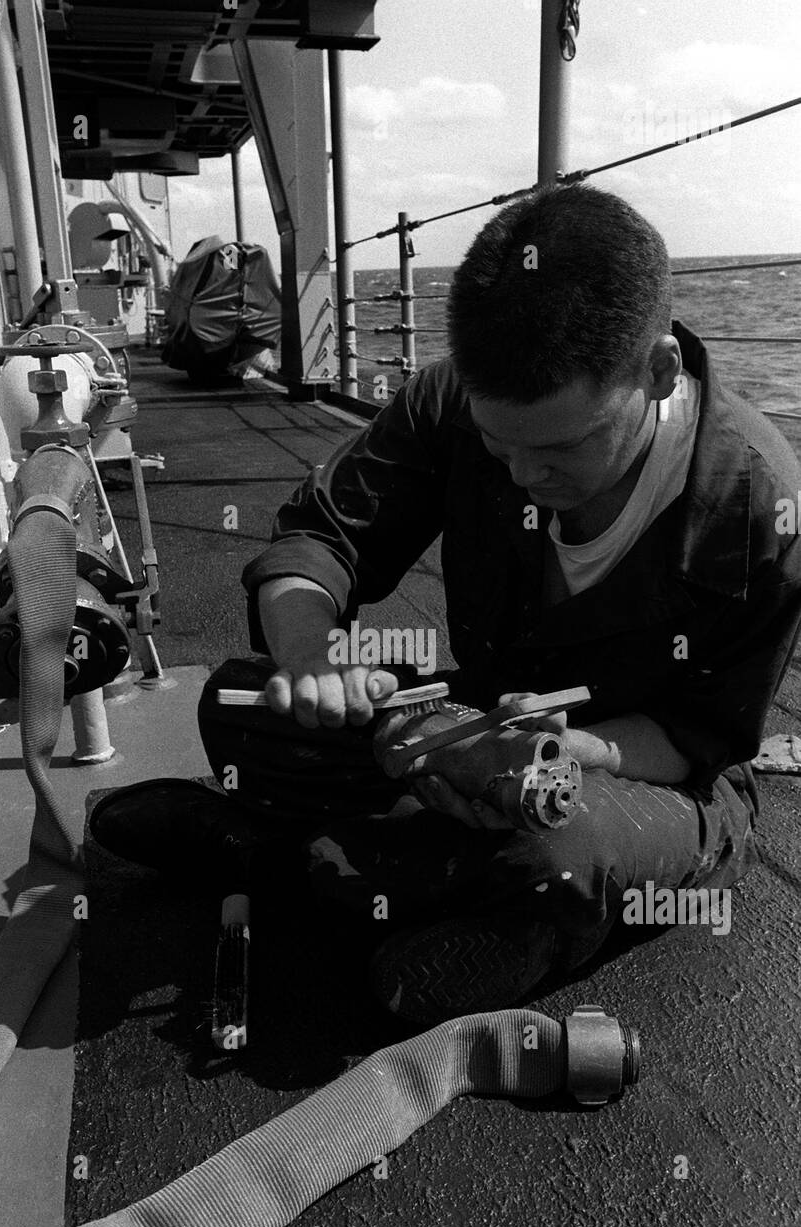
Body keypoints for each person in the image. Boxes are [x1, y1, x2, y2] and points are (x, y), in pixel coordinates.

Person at [91, 182, 801, 1025]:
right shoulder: (453, 396)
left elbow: (697, 739)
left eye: (561, 449)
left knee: (566, 845)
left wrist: (563, 752)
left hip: (638, 774)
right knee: (240, 709)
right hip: (477, 715)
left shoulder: (758, 508)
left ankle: (279, 859)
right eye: (499, 448)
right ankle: (385, 873)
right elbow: (323, 539)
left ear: (657, 373)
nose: (524, 478)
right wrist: (313, 656)